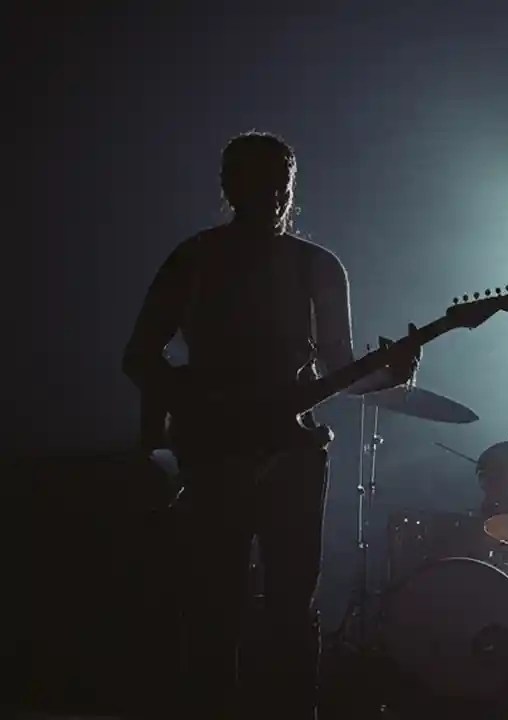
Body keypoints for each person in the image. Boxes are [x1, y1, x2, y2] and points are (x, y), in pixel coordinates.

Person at [122, 131, 417, 719]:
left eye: (284, 182)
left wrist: (394, 374)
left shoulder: (318, 267)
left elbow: (341, 367)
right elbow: (139, 356)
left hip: (293, 457)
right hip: (215, 455)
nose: (277, 195)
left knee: (289, 609)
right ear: (230, 187)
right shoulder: (194, 259)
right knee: (215, 609)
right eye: (263, 182)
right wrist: (196, 406)